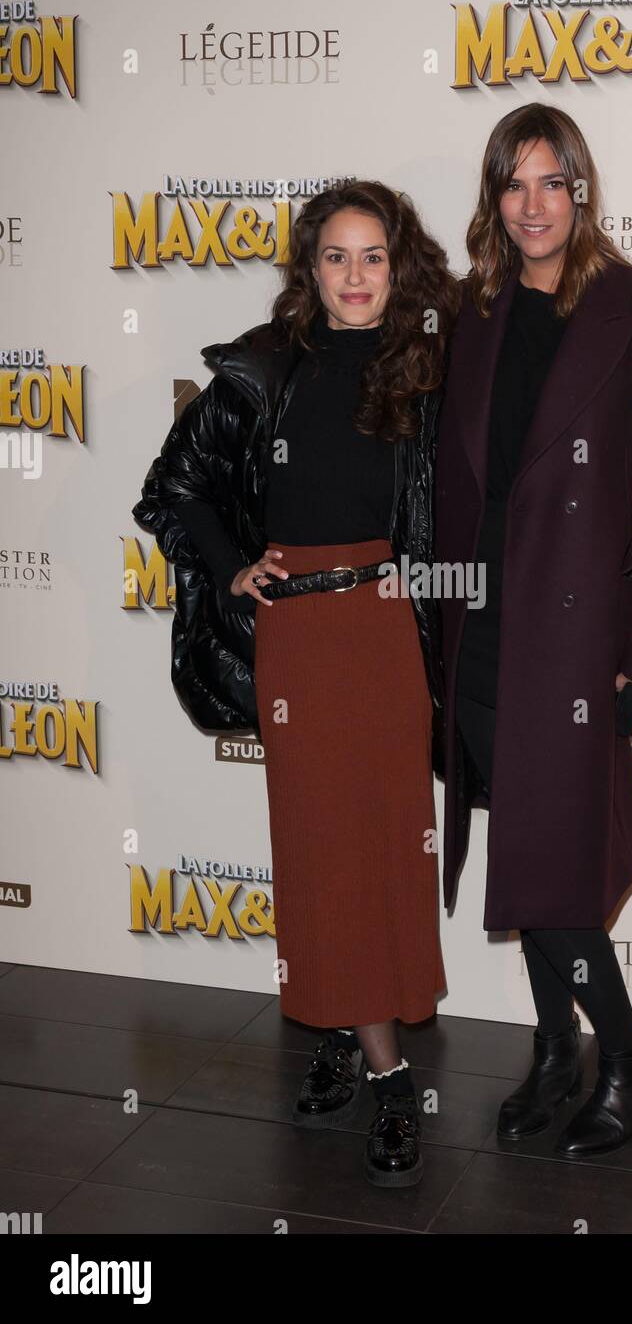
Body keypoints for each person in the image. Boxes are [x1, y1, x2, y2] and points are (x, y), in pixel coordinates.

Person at [132, 181, 461, 1187]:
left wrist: (431, 564)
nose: (355, 276)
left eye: (372, 257)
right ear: (307, 269)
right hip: (300, 640)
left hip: (383, 634)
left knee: (386, 849)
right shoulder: (264, 368)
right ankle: (389, 1074)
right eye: (335, 257)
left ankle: (339, 1031)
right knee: (320, 847)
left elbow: (473, 496)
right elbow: (171, 490)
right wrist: (235, 558)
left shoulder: (429, 366)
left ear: (396, 267)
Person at [434, 104, 632, 1157]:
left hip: (579, 634)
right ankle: (556, 1050)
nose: (534, 204)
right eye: (515, 183)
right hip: (483, 620)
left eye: (554, 182)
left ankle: (630, 1061)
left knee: (551, 860)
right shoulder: (473, 313)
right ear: (494, 199)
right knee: (528, 842)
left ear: (580, 192)